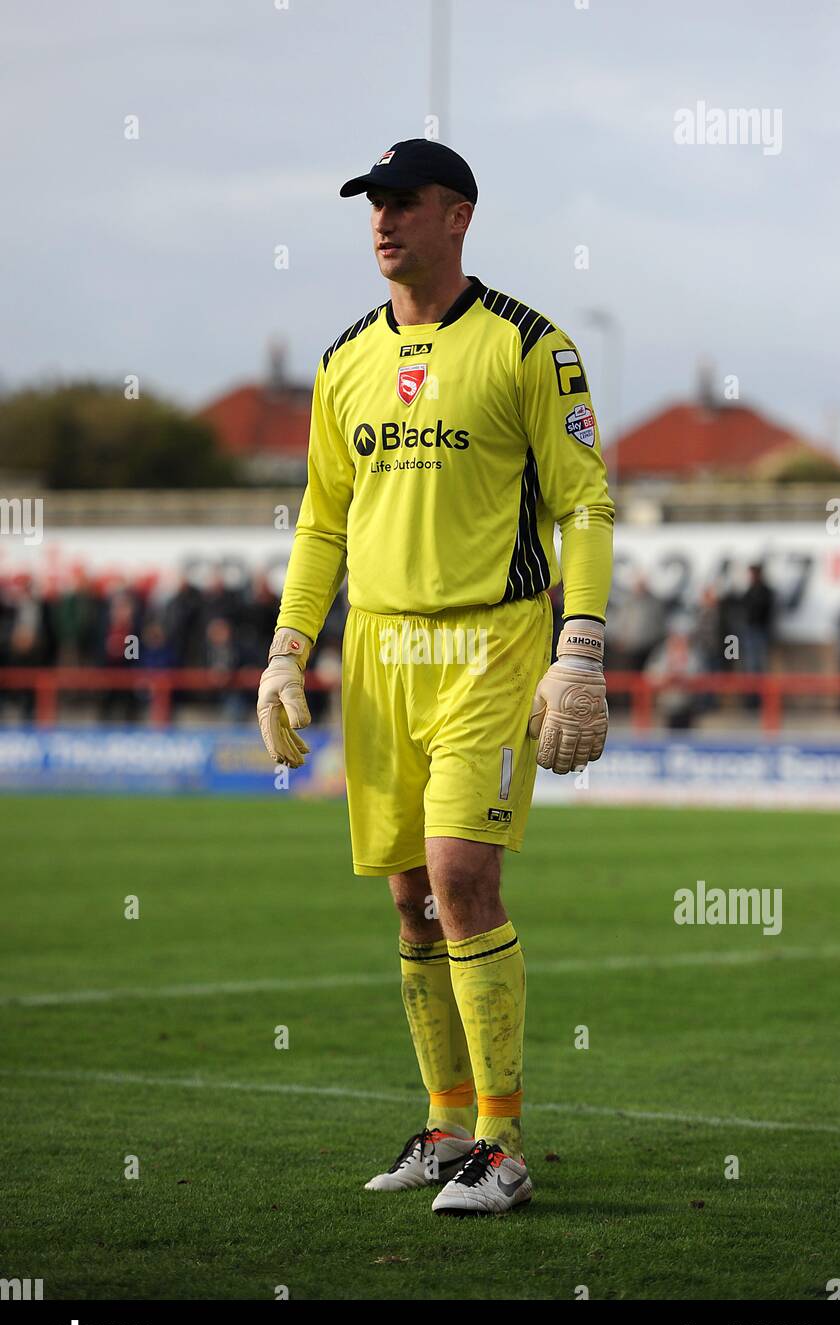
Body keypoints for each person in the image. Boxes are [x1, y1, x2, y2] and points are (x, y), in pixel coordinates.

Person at [257, 139, 614, 1216]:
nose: (381, 220)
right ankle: (446, 1121)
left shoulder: (529, 346)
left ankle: (502, 1144)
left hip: (489, 646)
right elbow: (322, 520)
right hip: (378, 651)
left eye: (402, 202)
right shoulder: (341, 361)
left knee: (461, 876)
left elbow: (583, 502)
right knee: (410, 897)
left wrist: (579, 647)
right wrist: (286, 649)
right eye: (371, 204)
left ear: (457, 215)